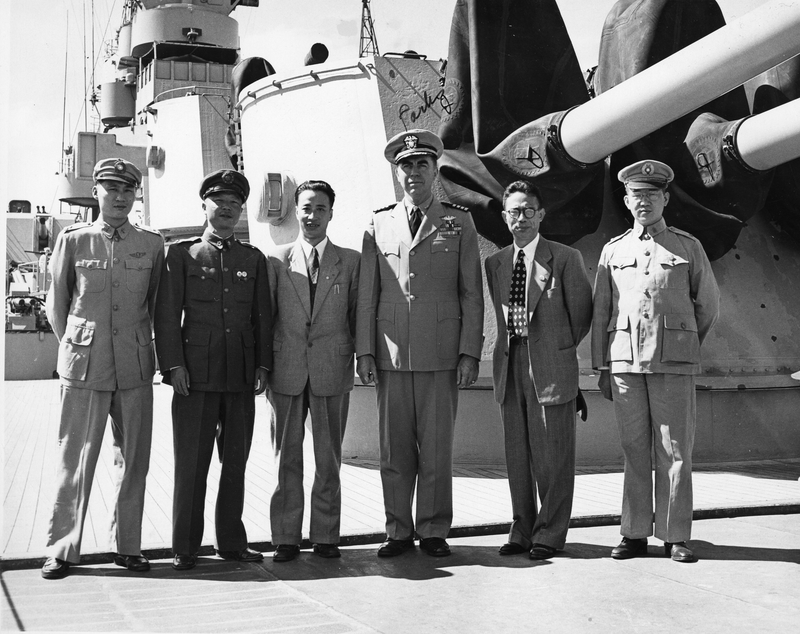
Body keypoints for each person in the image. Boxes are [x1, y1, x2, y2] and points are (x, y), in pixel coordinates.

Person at [356, 129, 484, 558]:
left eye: (421, 164)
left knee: (435, 450)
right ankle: (397, 529)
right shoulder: (378, 222)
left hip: (441, 352)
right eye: (406, 165)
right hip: (391, 354)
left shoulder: (459, 221)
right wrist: (365, 351)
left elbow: (471, 292)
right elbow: (367, 295)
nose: (414, 171)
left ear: (434, 170)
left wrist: (469, 351)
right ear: (397, 173)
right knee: (394, 452)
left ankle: (432, 529)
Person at [592, 160, 720, 563]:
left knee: (675, 450)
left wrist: (682, 344)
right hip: (626, 363)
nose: (643, 201)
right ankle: (633, 533)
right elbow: (601, 311)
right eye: (636, 195)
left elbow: (708, 305)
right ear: (626, 200)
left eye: (651, 194)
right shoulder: (613, 250)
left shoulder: (687, 246)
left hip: (673, 363)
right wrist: (602, 366)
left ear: (665, 198)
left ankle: (675, 535)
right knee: (633, 449)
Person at [42, 158, 164, 579]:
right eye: (110, 188)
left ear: (135, 195)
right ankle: (62, 548)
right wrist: (76, 349)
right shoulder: (73, 240)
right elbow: (57, 306)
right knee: (74, 460)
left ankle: (127, 546)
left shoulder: (151, 244)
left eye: (127, 190)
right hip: (85, 368)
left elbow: (153, 303)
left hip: (133, 367)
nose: (119, 197)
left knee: (134, 461)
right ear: (96, 191)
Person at [154, 169, 272, 571]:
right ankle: (185, 547)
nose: (227, 209)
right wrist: (172, 366)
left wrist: (262, 365)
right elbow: (167, 316)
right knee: (192, 465)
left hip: (239, 376)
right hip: (195, 377)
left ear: (242, 211)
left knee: (235, 463)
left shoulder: (252, 258)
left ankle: (231, 543)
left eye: (235, 204)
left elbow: (262, 317)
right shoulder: (181, 254)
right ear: (204, 204)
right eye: (219, 201)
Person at [485, 180, 593, 560]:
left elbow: (581, 317)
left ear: (541, 214)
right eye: (514, 211)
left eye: (528, 211)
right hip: (510, 362)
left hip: (549, 364)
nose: (521, 218)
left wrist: (555, 351)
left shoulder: (564, 258)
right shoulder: (496, 263)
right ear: (504, 216)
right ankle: (522, 528)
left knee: (553, 456)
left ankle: (550, 532)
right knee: (517, 454)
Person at [266, 180, 360, 562]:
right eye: (305, 208)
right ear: (295, 210)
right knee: (285, 458)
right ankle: (285, 537)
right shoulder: (275, 259)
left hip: (332, 369)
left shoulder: (351, 262)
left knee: (328, 459)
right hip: (285, 369)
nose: (312, 216)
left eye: (320, 208)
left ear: (331, 214)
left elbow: (358, 315)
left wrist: (363, 360)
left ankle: (325, 535)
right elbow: (267, 317)